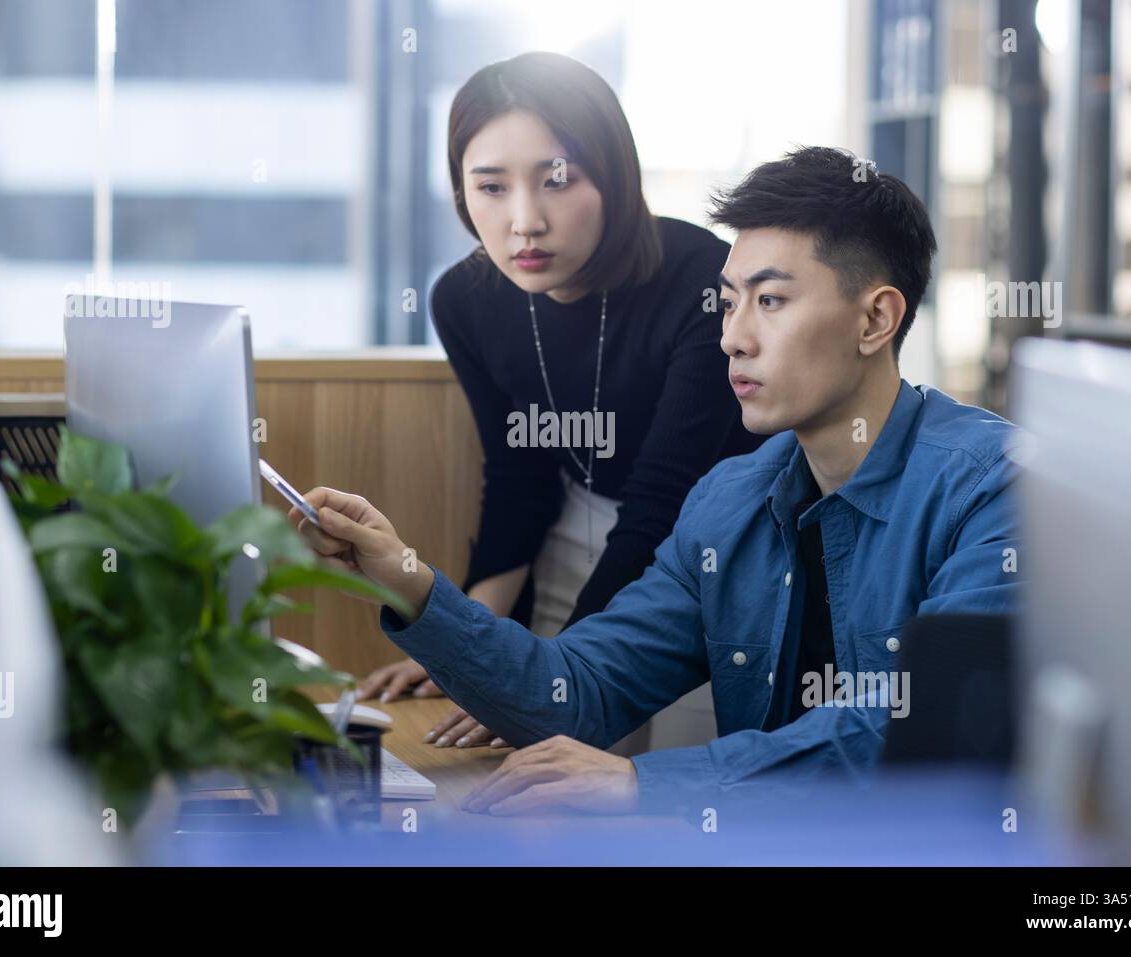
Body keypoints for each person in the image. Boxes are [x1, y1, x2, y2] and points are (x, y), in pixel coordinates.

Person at [294, 147, 1021, 815]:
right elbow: (574, 691)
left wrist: (645, 783)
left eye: (770, 300)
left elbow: (923, 732)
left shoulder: (992, 488)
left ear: (876, 319)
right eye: (729, 301)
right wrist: (407, 577)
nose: (733, 335)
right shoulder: (730, 501)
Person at [357, 51, 760, 755]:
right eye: (489, 186)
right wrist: (460, 648)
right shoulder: (466, 299)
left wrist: (544, 680)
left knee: (670, 788)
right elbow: (519, 482)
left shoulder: (702, 277)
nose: (523, 222)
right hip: (573, 536)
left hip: (714, 543)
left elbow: (663, 501)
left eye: (556, 181)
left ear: (613, 175)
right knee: (536, 781)